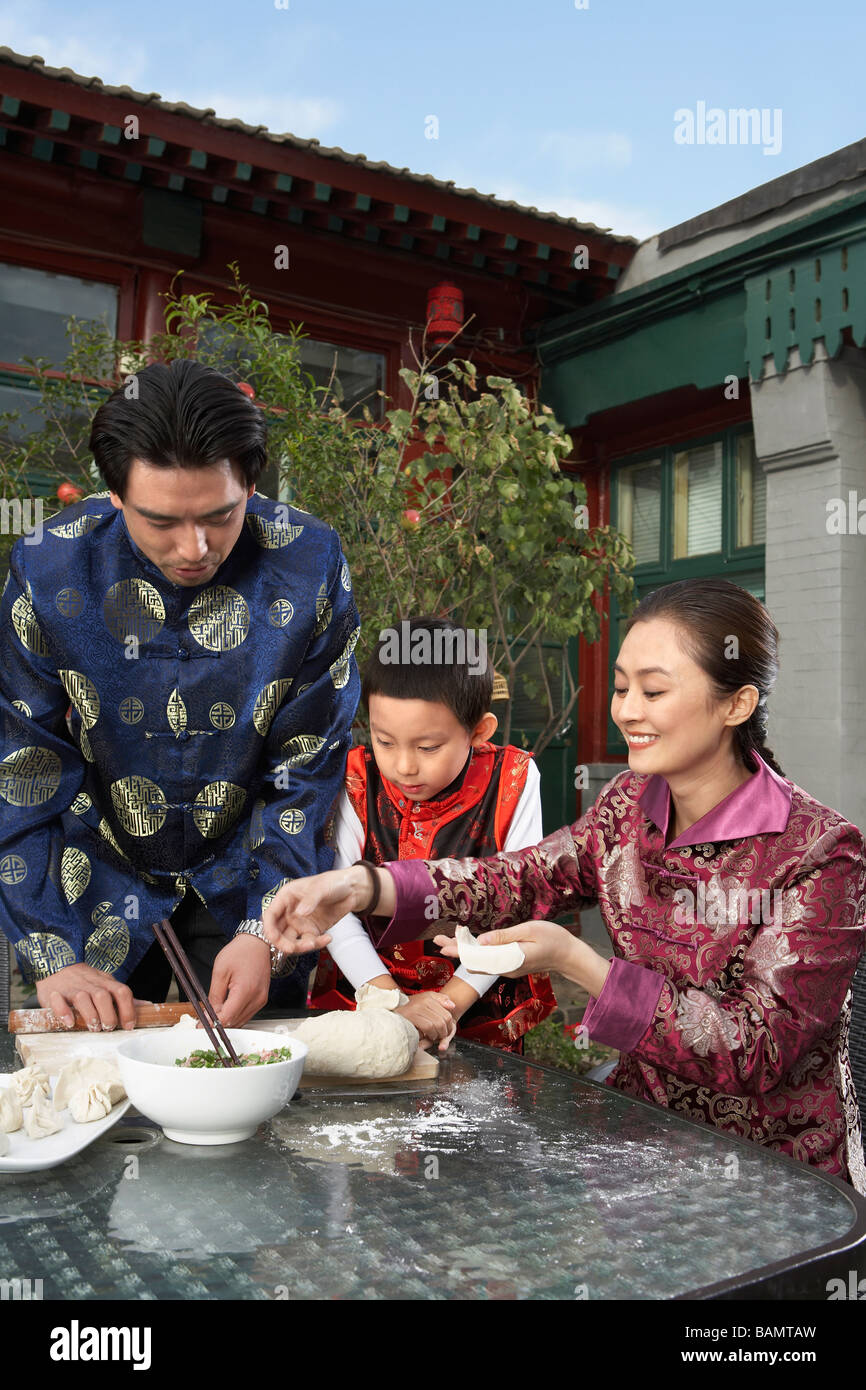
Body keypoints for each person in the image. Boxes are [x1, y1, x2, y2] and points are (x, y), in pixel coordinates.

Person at [263, 578, 866, 1190]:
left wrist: (577, 961)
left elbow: (754, 1050)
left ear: (736, 704)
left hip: (774, 1177)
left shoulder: (820, 854)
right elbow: (515, 878)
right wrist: (364, 888)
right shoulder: (628, 805)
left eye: (653, 690)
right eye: (624, 686)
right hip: (642, 1142)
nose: (627, 709)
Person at [0, 359, 360, 1031]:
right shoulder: (48, 569)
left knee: (254, 1083)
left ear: (250, 484)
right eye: (161, 521)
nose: (194, 547)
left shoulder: (309, 562)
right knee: (87, 1091)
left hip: (251, 870)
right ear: (114, 495)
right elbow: (24, 765)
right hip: (94, 874)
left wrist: (266, 924)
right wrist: (49, 952)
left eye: (220, 515)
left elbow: (309, 762)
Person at [310, 618, 557, 1052]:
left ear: (479, 731)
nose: (404, 766)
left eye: (428, 748)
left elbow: (515, 906)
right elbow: (336, 902)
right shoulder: (357, 778)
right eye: (385, 741)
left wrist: (445, 1008)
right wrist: (390, 1002)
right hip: (369, 988)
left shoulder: (513, 779)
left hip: (476, 999)